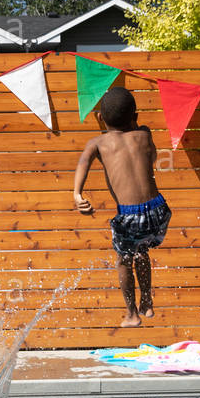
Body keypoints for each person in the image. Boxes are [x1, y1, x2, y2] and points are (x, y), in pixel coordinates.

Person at [72, 86, 172, 327]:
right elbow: (154, 158)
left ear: (99, 118)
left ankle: (132, 313)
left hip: (130, 217)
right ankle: (146, 301)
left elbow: (84, 160)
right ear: (135, 117)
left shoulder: (97, 143)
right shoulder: (145, 134)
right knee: (142, 250)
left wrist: (77, 194)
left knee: (124, 260)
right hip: (159, 211)